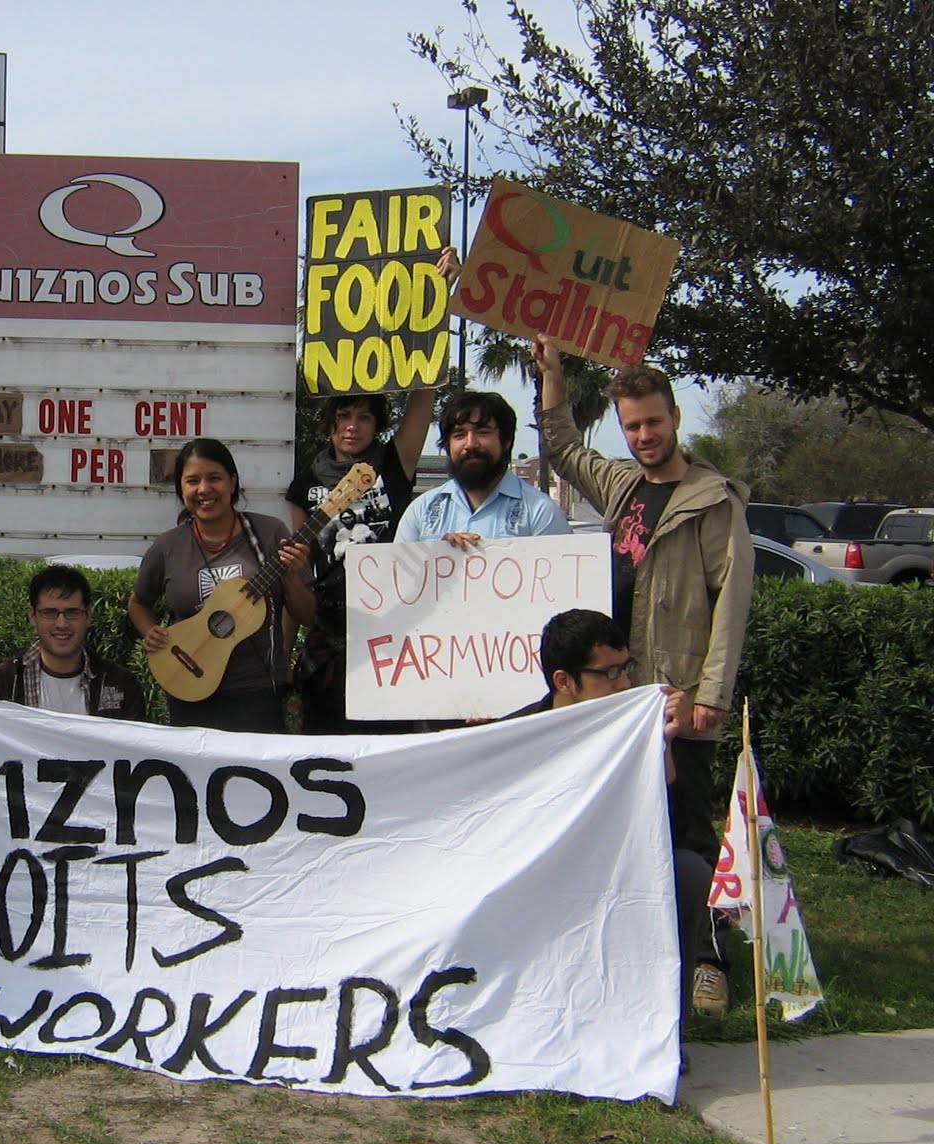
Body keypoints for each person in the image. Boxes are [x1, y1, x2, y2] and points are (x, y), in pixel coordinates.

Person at [534, 335, 754, 1016]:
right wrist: (550, 374)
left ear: (675, 418)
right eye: (631, 426)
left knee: (688, 835)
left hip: (678, 699)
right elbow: (564, 446)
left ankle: (708, 963)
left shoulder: (713, 502)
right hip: (616, 700)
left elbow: (732, 603)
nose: (643, 436)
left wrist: (711, 694)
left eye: (653, 422)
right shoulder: (624, 484)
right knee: (628, 835)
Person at [511, 609, 705, 1044]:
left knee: (690, 874)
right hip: (540, 877)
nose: (623, 684)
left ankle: (664, 1030)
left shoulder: (642, 728)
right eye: (609, 673)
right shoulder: (519, 733)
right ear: (564, 681)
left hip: (618, 873)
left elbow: (672, 833)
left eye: (626, 668)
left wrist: (664, 747)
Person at [129, 438, 315, 733]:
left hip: (258, 692)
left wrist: (291, 576)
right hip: (186, 683)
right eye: (192, 481)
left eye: (214, 478)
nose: (204, 489)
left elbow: (307, 615)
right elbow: (139, 603)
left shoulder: (270, 534)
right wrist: (150, 632)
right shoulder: (168, 546)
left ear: (232, 481)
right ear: (181, 488)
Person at [285, 385, 435, 731]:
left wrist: (424, 343)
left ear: (377, 424)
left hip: (390, 633)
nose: (353, 426)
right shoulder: (304, 484)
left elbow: (423, 397)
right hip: (329, 638)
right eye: (344, 415)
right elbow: (299, 574)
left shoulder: (393, 464)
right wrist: (284, 657)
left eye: (364, 417)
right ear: (330, 422)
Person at [394, 388, 572, 548]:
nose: (470, 444)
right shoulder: (421, 510)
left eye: (483, 432)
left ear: (506, 441)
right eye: (459, 434)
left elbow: (559, 579)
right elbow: (401, 575)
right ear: (447, 445)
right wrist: (439, 558)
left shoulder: (541, 512)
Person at [0, 565, 146, 720]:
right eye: (50, 612)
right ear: (33, 617)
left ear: (87, 616)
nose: (61, 624)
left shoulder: (121, 684)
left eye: (72, 613)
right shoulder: (0, 684)